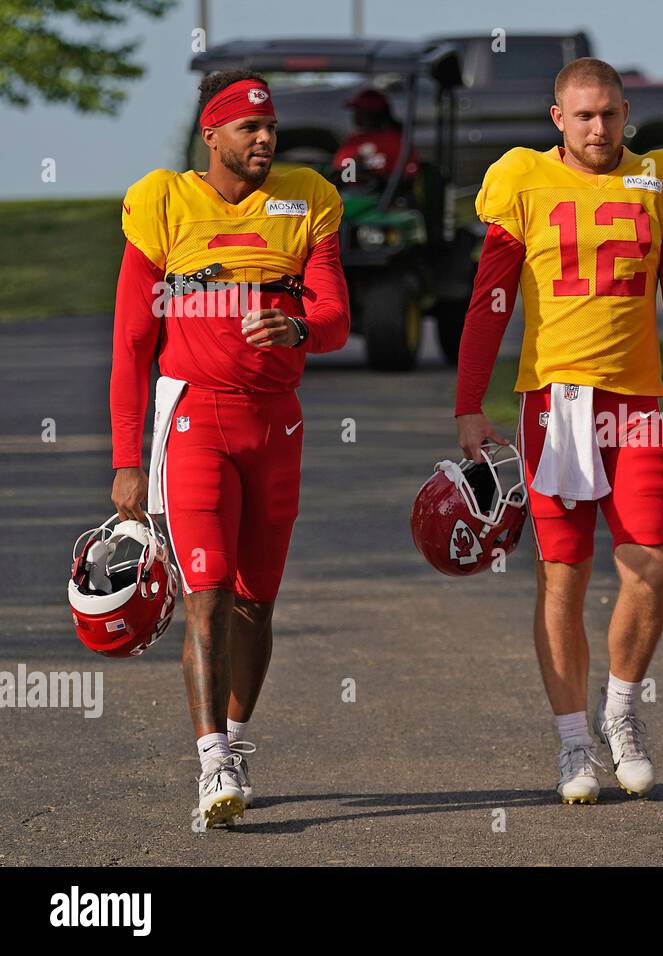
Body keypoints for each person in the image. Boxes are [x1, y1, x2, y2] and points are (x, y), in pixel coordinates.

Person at [454, 57, 663, 804]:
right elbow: (490, 301)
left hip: (637, 403)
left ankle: (620, 709)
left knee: (650, 566)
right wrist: (468, 403)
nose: (599, 128)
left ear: (625, 111)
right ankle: (575, 741)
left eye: (610, 113)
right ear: (558, 120)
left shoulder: (661, 180)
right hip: (555, 405)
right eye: (584, 116)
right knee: (562, 576)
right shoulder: (522, 181)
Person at [110, 70, 350, 827]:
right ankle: (211, 760)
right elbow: (130, 343)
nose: (265, 138)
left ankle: (237, 741)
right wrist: (124, 457)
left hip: (277, 423)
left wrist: (301, 325)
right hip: (195, 422)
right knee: (206, 595)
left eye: (270, 127)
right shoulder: (165, 202)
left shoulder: (305, 198)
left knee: (255, 602)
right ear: (210, 135)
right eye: (247, 128)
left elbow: (338, 314)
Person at [331, 88, 419, 190]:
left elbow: (407, 177)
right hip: (352, 196)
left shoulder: (396, 141)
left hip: (383, 198)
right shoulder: (353, 141)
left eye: (359, 111)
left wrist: (377, 179)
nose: (355, 115)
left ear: (372, 113)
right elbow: (339, 172)